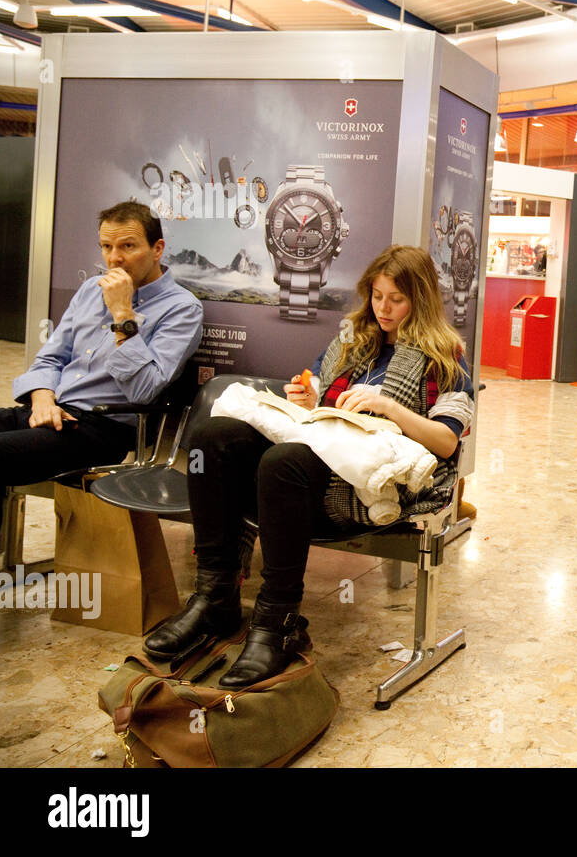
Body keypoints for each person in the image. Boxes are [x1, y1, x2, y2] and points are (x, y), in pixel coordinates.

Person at [144, 245, 474, 688]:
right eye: (376, 295)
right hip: (317, 457)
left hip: (371, 480)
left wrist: (390, 407)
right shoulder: (352, 338)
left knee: (285, 460)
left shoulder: (445, 357)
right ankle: (214, 596)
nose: (383, 308)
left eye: (396, 298)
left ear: (421, 298)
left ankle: (276, 620)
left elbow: (447, 442)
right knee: (212, 436)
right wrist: (306, 395)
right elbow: (317, 393)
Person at [1, 201, 203, 504]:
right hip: (52, 412)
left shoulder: (182, 309)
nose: (114, 259)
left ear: (157, 249)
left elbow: (143, 391)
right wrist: (43, 401)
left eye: (128, 246)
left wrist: (122, 313)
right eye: (106, 247)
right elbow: (50, 358)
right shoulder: (90, 289)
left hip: (101, 428)